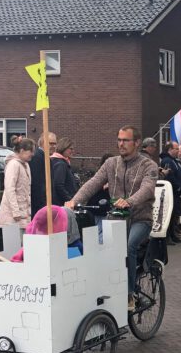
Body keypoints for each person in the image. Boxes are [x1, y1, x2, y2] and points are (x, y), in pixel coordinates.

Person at [66, 125, 157, 309]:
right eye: (119, 140)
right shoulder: (111, 163)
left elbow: (147, 188)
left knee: (129, 246)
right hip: (116, 219)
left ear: (137, 142)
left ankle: (129, 295)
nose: (121, 144)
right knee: (101, 248)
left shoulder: (149, 165)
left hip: (140, 219)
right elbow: (93, 183)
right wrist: (74, 201)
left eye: (126, 140)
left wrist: (129, 201)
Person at [0, 138, 35, 227]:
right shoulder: (13, 164)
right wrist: (16, 212)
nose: (33, 154)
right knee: (13, 236)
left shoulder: (26, 164)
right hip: (12, 217)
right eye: (31, 151)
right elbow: (9, 189)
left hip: (23, 215)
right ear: (22, 151)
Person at [160, 141, 181, 243]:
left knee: (174, 215)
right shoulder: (167, 161)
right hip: (172, 192)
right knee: (170, 215)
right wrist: (178, 188)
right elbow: (170, 177)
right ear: (170, 150)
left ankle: (173, 235)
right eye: (176, 149)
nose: (178, 151)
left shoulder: (173, 161)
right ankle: (167, 237)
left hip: (176, 193)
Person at [29, 132, 57, 217]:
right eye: (51, 143)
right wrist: (43, 207)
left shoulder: (45, 157)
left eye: (55, 144)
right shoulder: (38, 158)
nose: (54, 146)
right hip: (40, 206)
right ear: (42, 143)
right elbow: (37, 184)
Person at [50, 137, 79, 206]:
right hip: (62, 204)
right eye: (71, 149)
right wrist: (69, 200)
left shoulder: (56, 161)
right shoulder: (61, 164)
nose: (73, 151)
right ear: (63, 148)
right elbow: (58, 185)